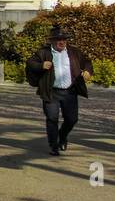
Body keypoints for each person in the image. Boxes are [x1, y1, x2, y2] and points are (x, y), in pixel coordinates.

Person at [25, 26, 93, 156]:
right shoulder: (43, 52)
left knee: (72, 119)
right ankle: (53, 145)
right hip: (51, 91)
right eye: (58, 40)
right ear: (52, 41)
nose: (62, 42)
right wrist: (41, 65)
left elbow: (87, 62)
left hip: (69, 91)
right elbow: (30, 63)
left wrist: (88, 71)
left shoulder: (74, 52)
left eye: (64, 40)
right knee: (52, 118)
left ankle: (62, 137)